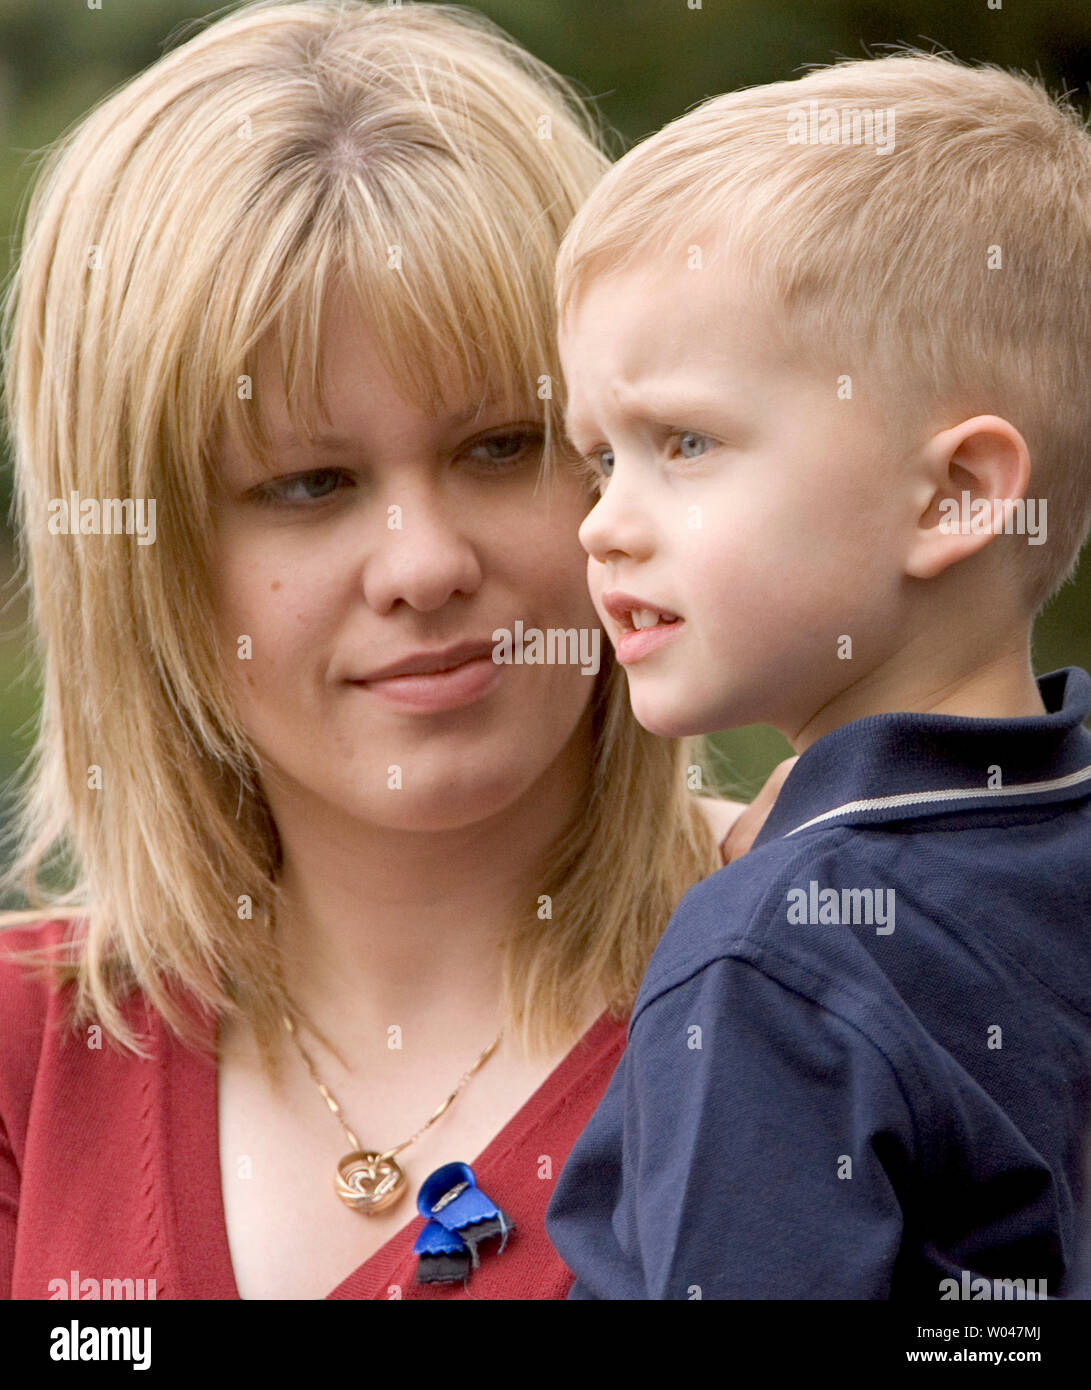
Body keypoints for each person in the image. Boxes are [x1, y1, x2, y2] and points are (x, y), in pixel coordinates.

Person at [0, 0, 762, 1302]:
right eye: (308, 482)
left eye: (498, 446)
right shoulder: (29, 1060)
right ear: (139, 559)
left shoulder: (845, 981)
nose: (421, 564)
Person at [544, 51, 1091, 1299]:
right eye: (596, 460)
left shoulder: (770, 963)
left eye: (682, 442)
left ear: (953, 495)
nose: (601, 525)